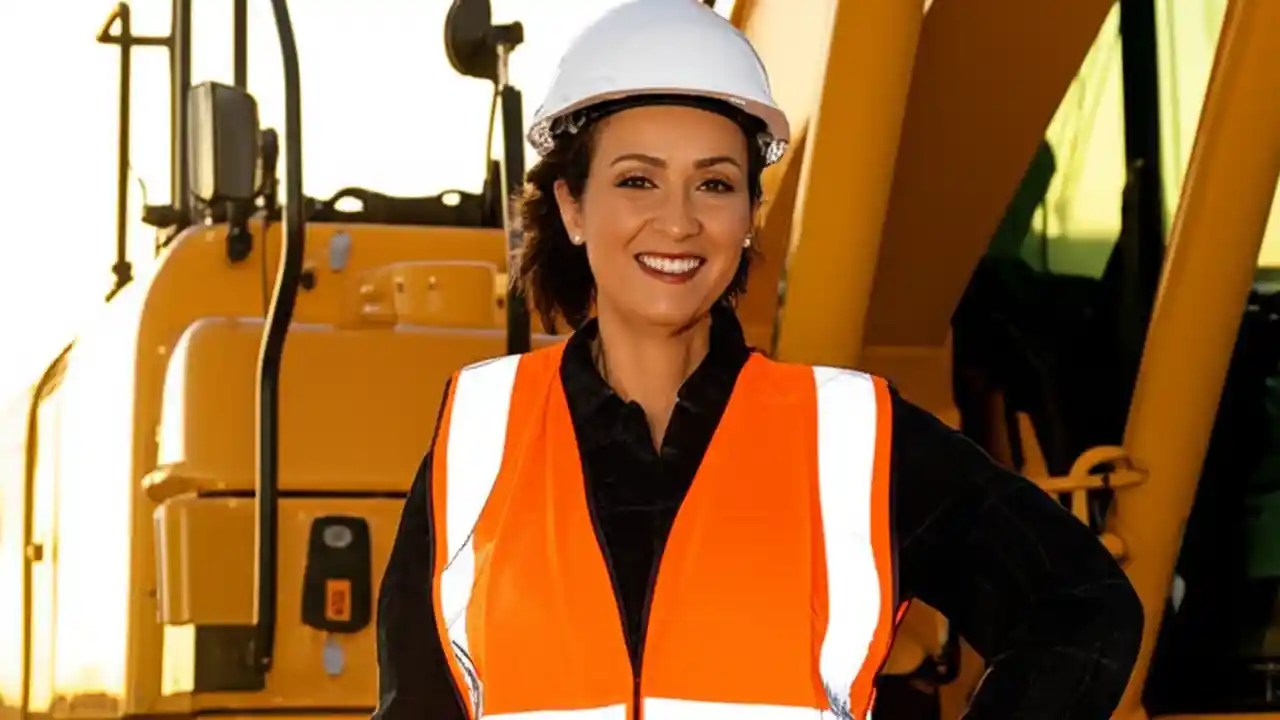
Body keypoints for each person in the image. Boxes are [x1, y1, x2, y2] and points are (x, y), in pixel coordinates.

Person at [373, 1, 1144, 718]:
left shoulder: (849, 437)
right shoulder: (479, 438)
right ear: (573, 207)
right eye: (637, 180)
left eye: (715, 184)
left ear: (746, 217)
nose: (678, 222)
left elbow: (1080, 602)